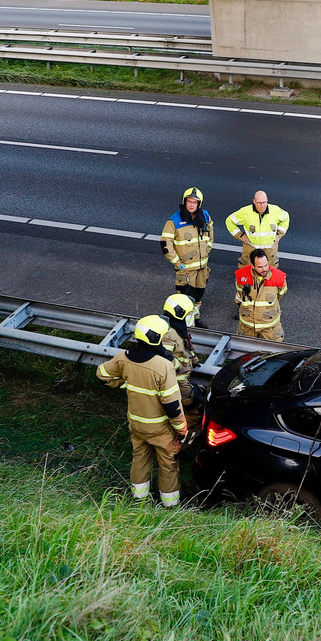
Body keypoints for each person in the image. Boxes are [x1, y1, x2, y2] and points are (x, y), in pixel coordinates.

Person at [97, 315, 189, 507]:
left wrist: (124, 384)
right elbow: (172, 405)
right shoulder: (163, 366)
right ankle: (170, 505)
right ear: (156, 338)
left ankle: (139, 500)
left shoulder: (123, 358)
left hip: (136, 424)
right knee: (168, 465)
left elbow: (102, 374)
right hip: (160, 428)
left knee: (139, 458)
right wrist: (182, 430)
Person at [160, 187, 213, 326]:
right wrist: (177, 264)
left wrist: (207, 250)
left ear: (199, 204)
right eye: (189, 201)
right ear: (185, 202)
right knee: (184, 297)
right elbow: (165, 244)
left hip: (202, 266)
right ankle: (187, 326)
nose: (191, 204)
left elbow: (210, 235)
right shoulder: (174, 221)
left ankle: (196, 318)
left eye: (194, 202)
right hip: (185, 269)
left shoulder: (205, 216)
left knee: (198, 294)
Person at [225, 190, 290, 268]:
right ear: (254, 201)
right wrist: (240, 235)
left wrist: (279, 235)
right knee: (247, 275)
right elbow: (229, 221)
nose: (262, 205)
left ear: (267, 200)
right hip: (250, 251)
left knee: (269, 276)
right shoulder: (245, 212)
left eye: (264, 202)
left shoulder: (275, 210)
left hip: (269, 253)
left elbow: (286, 218)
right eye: (259, 203)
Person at [234, 248, 288, 340]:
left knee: (274, 352)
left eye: (266, 265)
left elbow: (280, 295)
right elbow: (240, 292)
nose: (264, 269)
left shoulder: (279, 277)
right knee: (245, 352)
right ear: (253, 266)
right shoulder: (241, 276)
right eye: (260, 267)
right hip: (247, 327)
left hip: (269, 327)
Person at [161, 293, 199, 407]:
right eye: (188, 314)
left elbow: (183, 348)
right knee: (191, 406)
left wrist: (194, 360)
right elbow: (163, 359)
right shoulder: (168, 334)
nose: (189, 317)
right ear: (179, 313)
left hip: (182, 376)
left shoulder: (178, 328)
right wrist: (181, 367)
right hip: (176, 380)